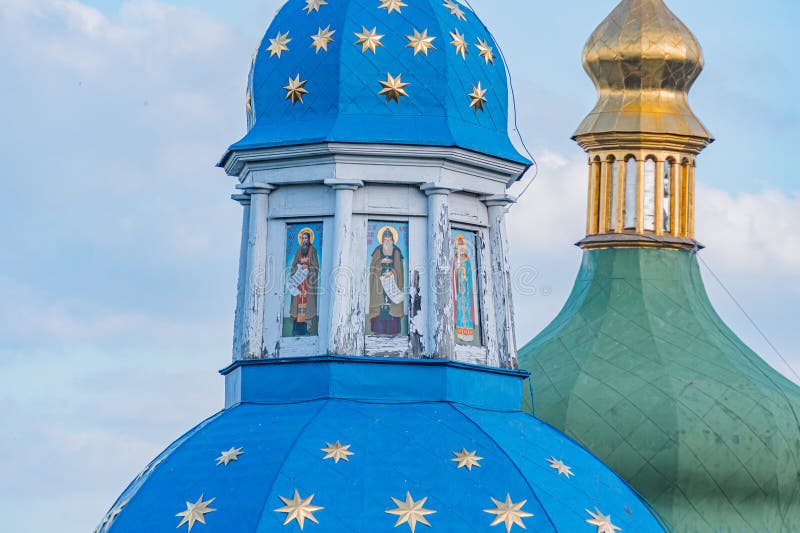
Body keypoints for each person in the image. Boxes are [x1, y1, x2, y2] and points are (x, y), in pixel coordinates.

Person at [367, 227, 405, 336]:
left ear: (393, 240)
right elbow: (372, 267)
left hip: (392, 282)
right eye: (385, 240)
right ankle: (377, 330)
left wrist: (392, 273)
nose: (387, 242)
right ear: (382, 240)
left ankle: (394, 331)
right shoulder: (377, 251)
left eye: (389, 239)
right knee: (379, 304)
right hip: (379, 284)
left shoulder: (396, 251)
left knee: (392, 305)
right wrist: (381, 261)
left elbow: (399, 270)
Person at [288, 229, 319, 336]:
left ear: (309, 239)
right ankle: (296, 330)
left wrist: (308, 268)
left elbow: (316, 266)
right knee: (297, 306)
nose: (304, 240)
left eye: (306, 238)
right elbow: (293, 265)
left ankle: (308, 329)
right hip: (299, 283)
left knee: (308, 307)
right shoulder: (298, 251)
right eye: (303, 238)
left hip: (308, 283)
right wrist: (298, 269)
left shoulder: (313, 251)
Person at [453, 233, 477, 343]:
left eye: (462, 246)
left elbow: (469, 274)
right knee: (459, 310)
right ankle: (460, 334)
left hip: (466, 289)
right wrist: (457, 271)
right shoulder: (455, 259)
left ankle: (468, 334)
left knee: (466, 309)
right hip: (459, 289)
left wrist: (466, 278)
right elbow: (453, 274)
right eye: (459, 246)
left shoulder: (467, 260)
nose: (461, 248)